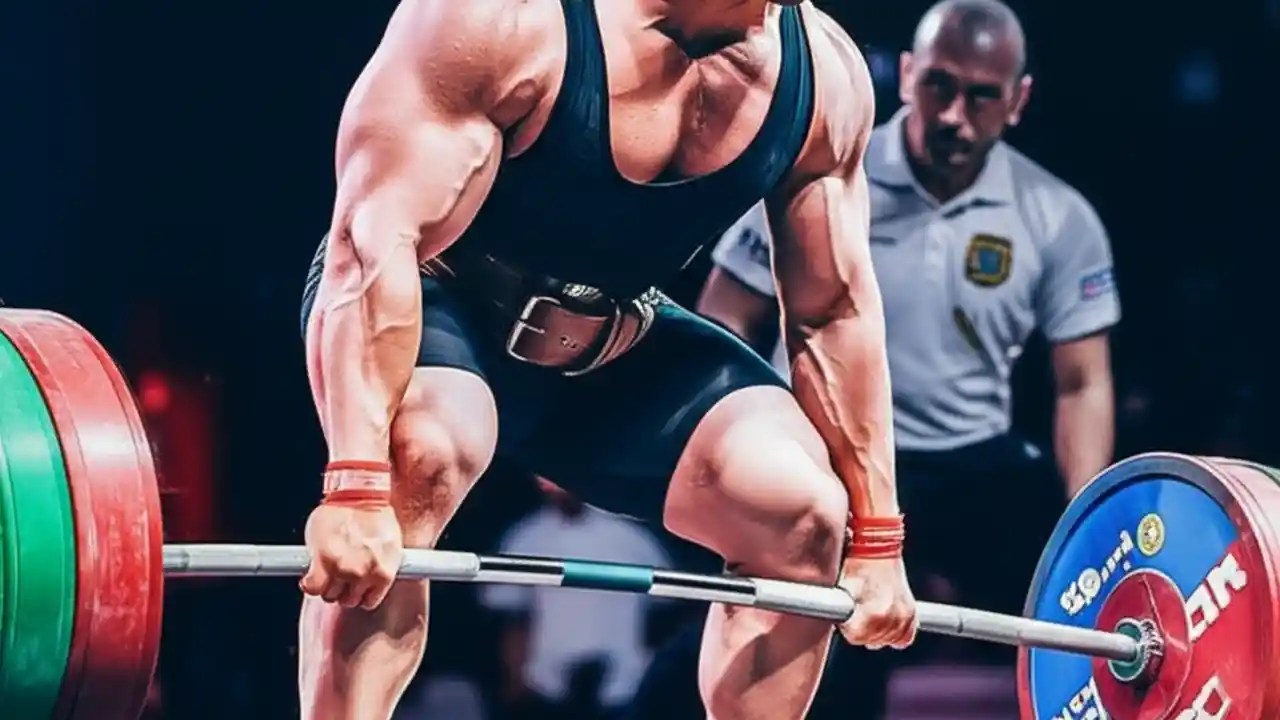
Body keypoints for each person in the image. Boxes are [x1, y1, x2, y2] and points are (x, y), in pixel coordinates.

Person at [294, 1, 919, 719]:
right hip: (438, 303)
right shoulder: (507, 18)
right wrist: (355, 486)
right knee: (425, 456)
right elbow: (374, 240)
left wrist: (878, 538)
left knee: (803, 514)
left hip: (610, 344)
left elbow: (831, 310)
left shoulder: (825, 77)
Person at [694, 1, 1121, 717]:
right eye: (940, 86)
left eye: (982, 95)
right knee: (823, 651)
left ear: (1017, 101)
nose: (955, 114)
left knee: (1080, 601)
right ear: (908, 76)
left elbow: (1082, 384)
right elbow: (722, 321)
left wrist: (1088, 527)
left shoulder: (1058, 216)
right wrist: (737, 460)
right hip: (829, 457)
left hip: (968, 463)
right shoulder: (819, 171)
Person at [480, 478, 672, 719]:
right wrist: (514, 678)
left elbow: (667, 609)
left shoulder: (631, 537)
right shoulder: (527, 536)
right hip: (548, 684)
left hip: (622, 684)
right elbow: (513, 615)